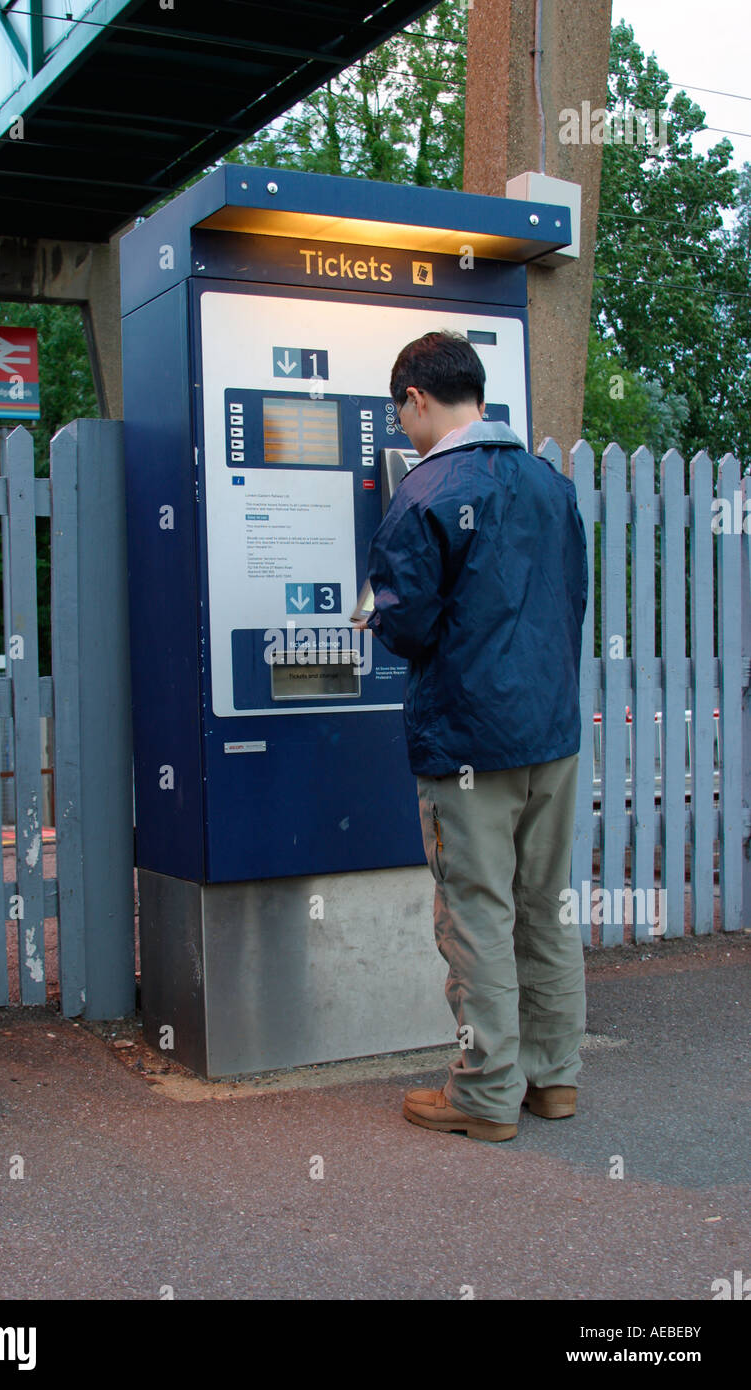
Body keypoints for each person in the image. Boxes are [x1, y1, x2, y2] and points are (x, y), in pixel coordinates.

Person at [363, 329, 588, 1143]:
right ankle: (553, 1078)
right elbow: (568, 601)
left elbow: (405, 624)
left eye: (401, 414)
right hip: (551, 734)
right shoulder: (547, 483)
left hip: (468, 741)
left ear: (417, 399)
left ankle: (488, 1091)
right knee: (546, 909)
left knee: (478, 914)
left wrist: (374, 617)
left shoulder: (423, 494)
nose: (402, 432)